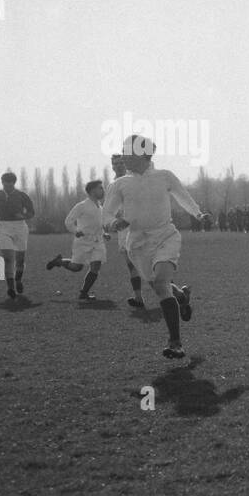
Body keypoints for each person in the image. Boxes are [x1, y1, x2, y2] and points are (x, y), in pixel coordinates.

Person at [102, 135, 210, 358]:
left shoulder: (164, 176)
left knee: (161, 283)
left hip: (165, 236)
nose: (123, 157)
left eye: (126, 152)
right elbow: (106, 214)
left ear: (141, 154)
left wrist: (198, 214)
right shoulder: (119, 184)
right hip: (138, 244)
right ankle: (181, 297)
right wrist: (114, 222)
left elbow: (183, 197)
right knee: (162, 287)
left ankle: (175, 343)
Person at [46, 179, 108, 300]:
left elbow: (99, 224)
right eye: (100, 188)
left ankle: (83, 293)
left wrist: (104, 233)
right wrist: (76, 231)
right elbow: (68, 221)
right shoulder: (82, 206)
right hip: (83, 242)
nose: (103, 190)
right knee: (76, 267)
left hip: (98, 241)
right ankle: (58, 262)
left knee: (96, 265)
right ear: (92, 191)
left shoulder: (100, 207)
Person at [0, 171, 35, 300]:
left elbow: (31, 212)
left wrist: (23, 216)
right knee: (8, 259)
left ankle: (18, 280)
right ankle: (10, 288)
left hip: (20, 227)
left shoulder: (22, 195)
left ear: (14, 183)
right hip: (3, 227)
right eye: (5, 183)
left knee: (20, 259)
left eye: (10, 184)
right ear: (2, 183)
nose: (7, 186)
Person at [108, 154, 147, 307]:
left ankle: (173, 292)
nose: (118, 166)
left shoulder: (133, 180)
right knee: (131, 264)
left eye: (120, 163)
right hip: (122, 230)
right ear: (112, 166)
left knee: (149, 262)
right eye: (115, 163)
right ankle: (138, 298)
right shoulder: (113, 184)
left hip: (137, 226)